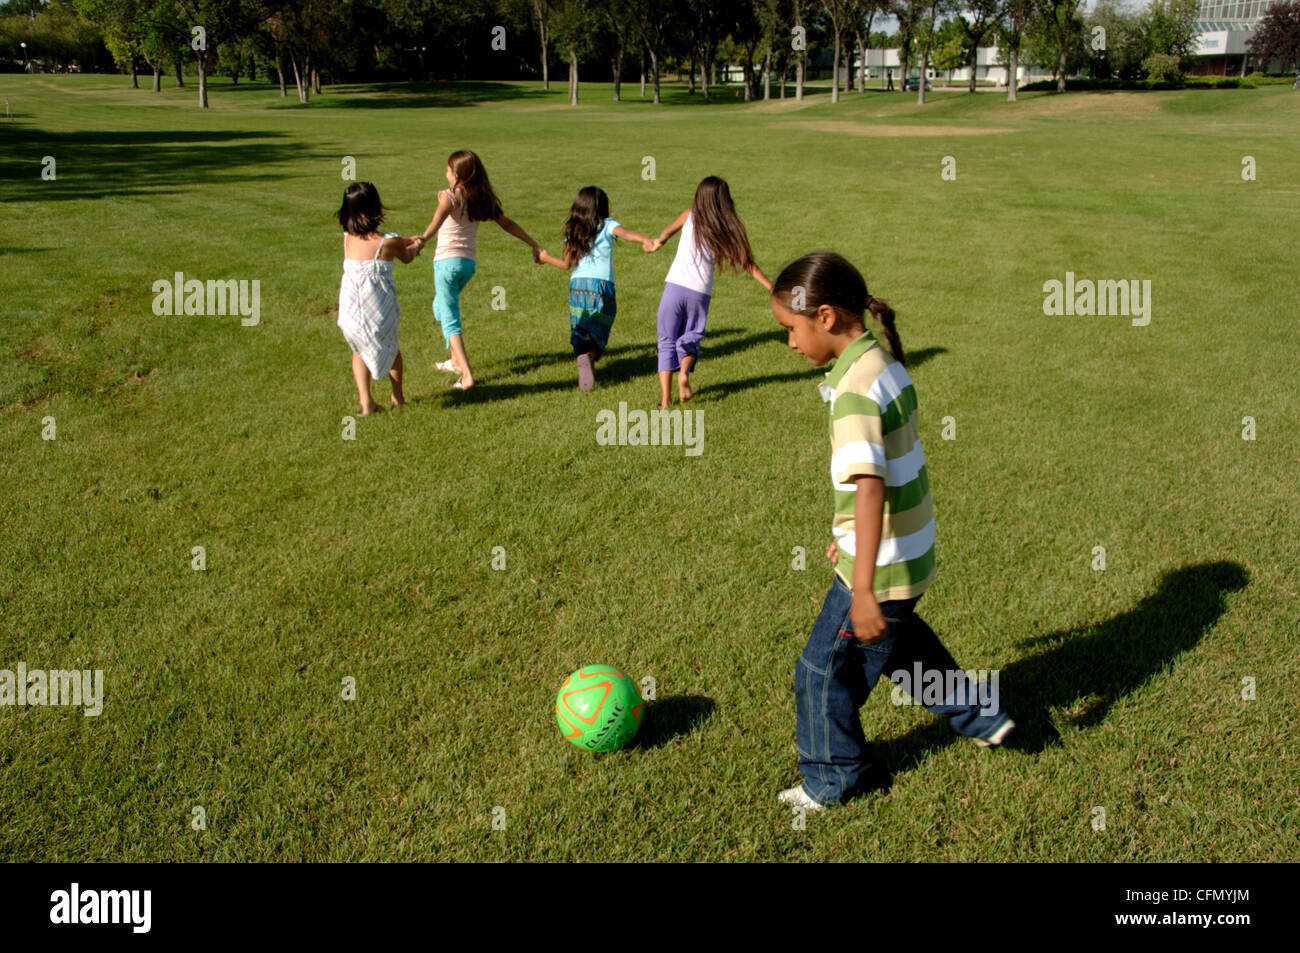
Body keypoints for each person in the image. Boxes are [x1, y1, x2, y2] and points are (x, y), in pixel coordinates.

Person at [769, 250, 1014, 812]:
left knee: (821, 672)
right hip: (910, 552)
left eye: (790, 329)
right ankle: (984, 717)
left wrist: (859, 588)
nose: (790, 344)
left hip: (878, 571)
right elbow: (888, 473)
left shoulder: (854, 389)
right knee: (904, 652)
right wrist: (848, 531)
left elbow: (872, 487)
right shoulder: (882, 362)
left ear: (826, 317)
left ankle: (833, 779)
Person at [411, 150, 540, 390]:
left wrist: (421, 241)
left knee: (450, 319)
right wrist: (533, 243)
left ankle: (467, 375)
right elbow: (507, 223)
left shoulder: (449, 197)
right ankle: (454, 361)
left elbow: (435, 222)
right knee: (440, 307)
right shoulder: (479, 199)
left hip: (446, 265)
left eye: (448, 170)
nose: (445, 173)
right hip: (467, 266)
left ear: (457, 175)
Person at [648, 176, 771, 409]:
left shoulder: (688, 215)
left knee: (666, 340)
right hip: (699, 293)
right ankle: (684, 373)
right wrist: (771, 287)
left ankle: (665, 401)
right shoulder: (723, 228)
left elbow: (666, 232)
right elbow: (747, 263)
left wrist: (657, 243)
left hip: (673, 287)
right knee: (690, 338)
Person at [537, 186, 657, 390]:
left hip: (577, 286)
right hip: (601, 285)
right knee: (600, 327)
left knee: (581, 327)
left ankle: (583, 357)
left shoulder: (572, 231)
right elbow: (625, 233)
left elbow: (566, 264)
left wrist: (545, 257)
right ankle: (590, 356)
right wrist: (645, 239)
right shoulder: (607, 225)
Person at [337, 182, 421, 415]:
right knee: (392, 350)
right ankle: (398, 396)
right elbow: (406, 257)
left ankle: (367, 403)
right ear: (375, 207)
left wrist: (403, 239)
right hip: (380, 310)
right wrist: (417, 244)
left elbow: (383, 244)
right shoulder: (388, 242)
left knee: (359, 351)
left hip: (352, 312)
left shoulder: (347, 239)